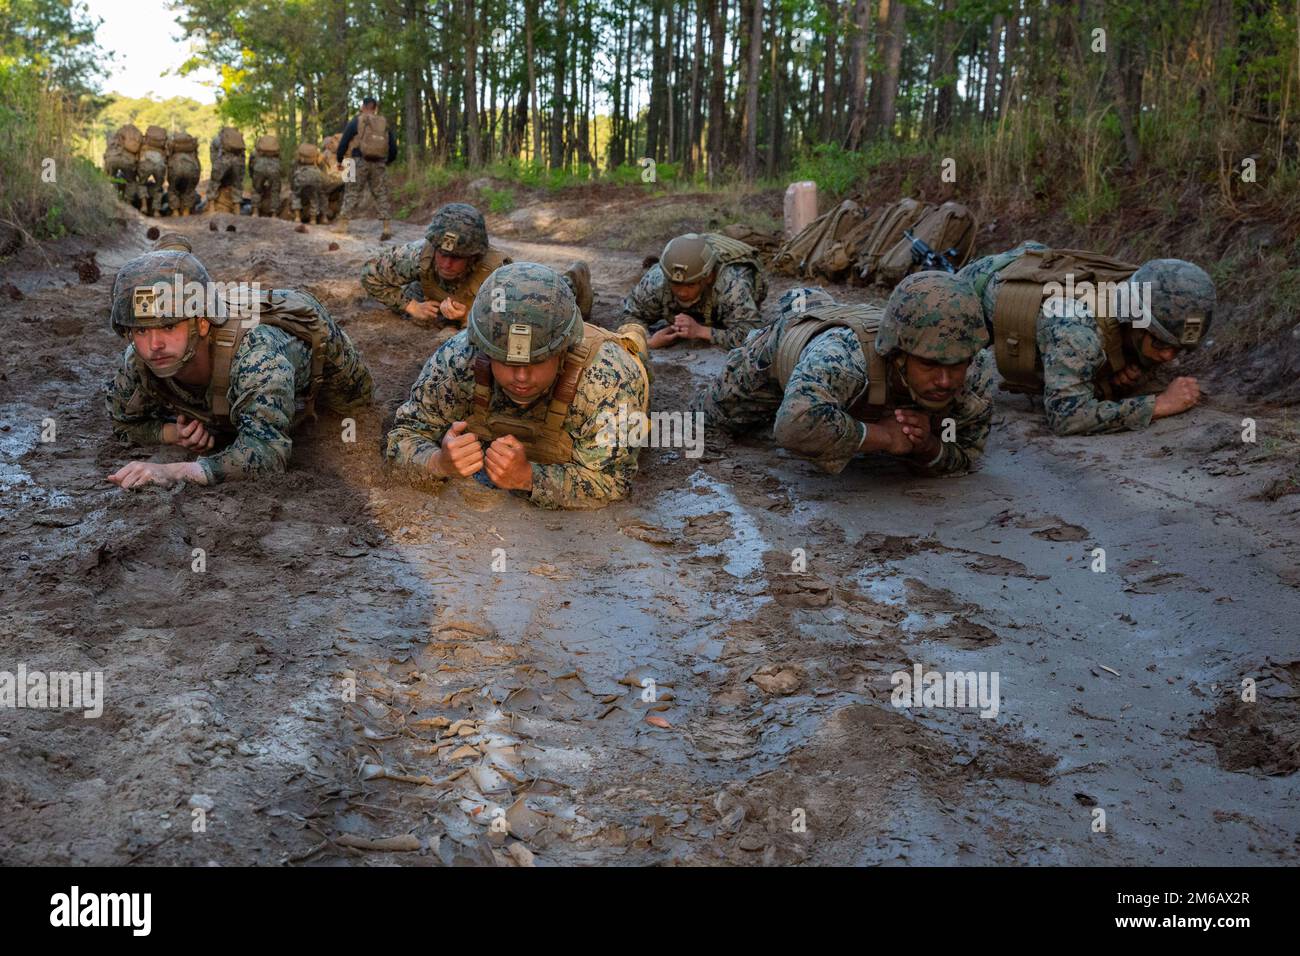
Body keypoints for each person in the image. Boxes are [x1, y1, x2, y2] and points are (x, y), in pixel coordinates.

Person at [104, 236, 375, 488]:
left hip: (325, 359)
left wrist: (173, 471)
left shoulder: (257, 356)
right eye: (141, 330)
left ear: (201, 324)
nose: (154, 345)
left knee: (354, 409)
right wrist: (173, 433)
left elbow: (268, 455)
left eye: (169, 327)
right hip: (233, 383)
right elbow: (123, 422)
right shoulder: (137, 361)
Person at [385, 262, 650, 509]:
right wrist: (438, 463)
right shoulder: (457, 359)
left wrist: (529, 478)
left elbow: (614, 482)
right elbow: (403, 437)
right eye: (507, 362)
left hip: (623, 363)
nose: (521, 377)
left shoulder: (610, 380)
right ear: (487, 353)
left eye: (537, 362)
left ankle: (631, 330)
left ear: (561, 353)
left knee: (634, 342)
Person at [693, 275, 995, 476]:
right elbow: (793, 426)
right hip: (778, 353)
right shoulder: (844, 358)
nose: (945, 381)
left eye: (956, 365)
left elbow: (966, 452)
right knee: (706, 419)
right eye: (930, 365)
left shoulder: (974, 369)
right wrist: (886, 437)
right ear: (898, 355)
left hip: (845, 377)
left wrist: (928, 445)